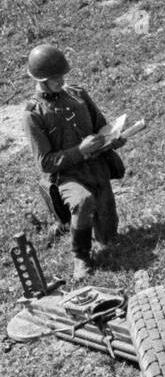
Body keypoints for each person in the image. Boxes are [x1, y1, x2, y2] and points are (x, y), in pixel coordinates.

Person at [22, 44, 125, 282]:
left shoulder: (78, 95)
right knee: (83, 201)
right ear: (40, 80)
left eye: (62, 75)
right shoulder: (33, 114)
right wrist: (80, 151)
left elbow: (102, 126)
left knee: (108, 238)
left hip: (96, 168)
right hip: (67, 175)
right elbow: (45, 163)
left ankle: (89, 230)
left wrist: (113, 139)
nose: (60, 81)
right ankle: (81, 256)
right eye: (53, 78)